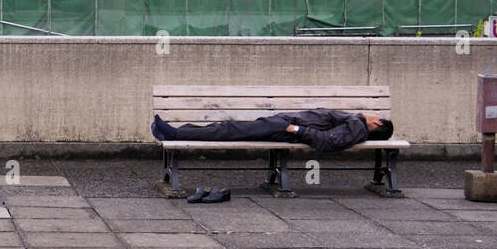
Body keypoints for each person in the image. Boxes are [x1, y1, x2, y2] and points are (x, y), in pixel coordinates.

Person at [151, 109, 394, 153]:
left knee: (230, 130)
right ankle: (178, 132)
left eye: (375, 115)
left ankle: (173, 134)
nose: (370, 113)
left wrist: (295, 128)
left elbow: (327, 142)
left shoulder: (356, 128)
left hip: (285, 129)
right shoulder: (356, 124)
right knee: (228, 129)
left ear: (378, 124)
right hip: (283, 124)